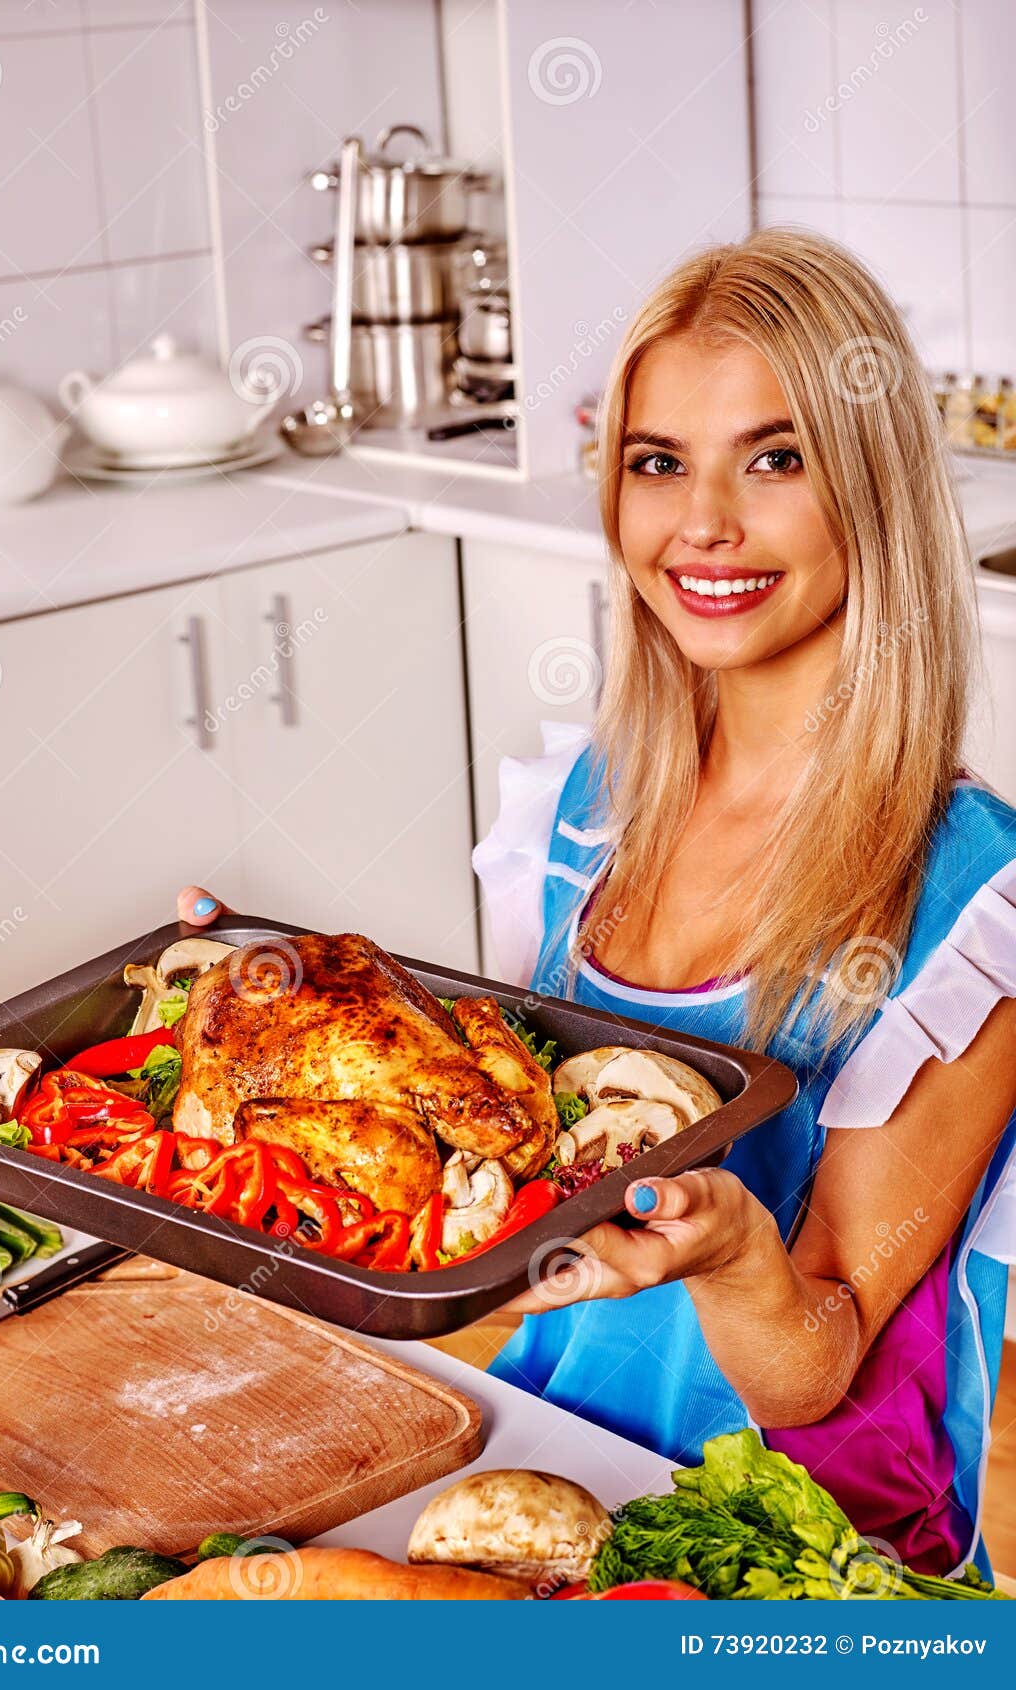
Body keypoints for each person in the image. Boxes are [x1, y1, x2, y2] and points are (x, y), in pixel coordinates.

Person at [180, 229, 1016, 1577]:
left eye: (776, 458)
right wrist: (272, 1011)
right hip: (547, 1437)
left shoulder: (973, 905)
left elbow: (817, 1368)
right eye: (658, 463)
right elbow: (515, 1174)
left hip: (785, 1535)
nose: (705, 523)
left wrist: (735, 1249)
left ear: (873, 489)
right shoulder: (588, 805)